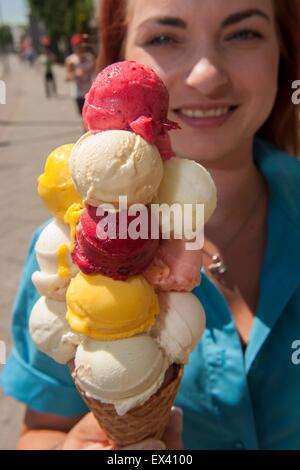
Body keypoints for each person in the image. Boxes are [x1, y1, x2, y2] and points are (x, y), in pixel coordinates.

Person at [1, 0, 300, 450]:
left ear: (284, 49)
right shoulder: (66, 251)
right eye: (164, 37)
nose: (206, 75)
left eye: (243, 33)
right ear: (116, 55)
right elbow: (42, 428)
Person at [64, 34, 96, 116]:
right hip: (78, 94)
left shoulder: (90, 58)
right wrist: (76, 74)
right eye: (77, 47)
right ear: (74, 47)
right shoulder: (70, 60)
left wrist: (87, 71)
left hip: (90, 92)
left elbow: (96, 71)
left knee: (91, 115)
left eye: (81, 46)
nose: (79, 49)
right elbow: (67, 77)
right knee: (83, 115)